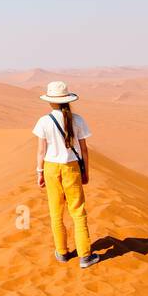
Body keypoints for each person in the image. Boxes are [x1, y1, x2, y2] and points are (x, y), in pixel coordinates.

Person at [33, 81, 99, 268]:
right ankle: (85, 256)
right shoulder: (78, 120)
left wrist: (39, 172)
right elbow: (84, 150)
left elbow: (40, 151)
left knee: (56, 212)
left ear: (50, 101)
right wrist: (85, 171)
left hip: (51, 168)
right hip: (71, 168)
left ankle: (62, 252)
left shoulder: (44, 121)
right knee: (78, 212)